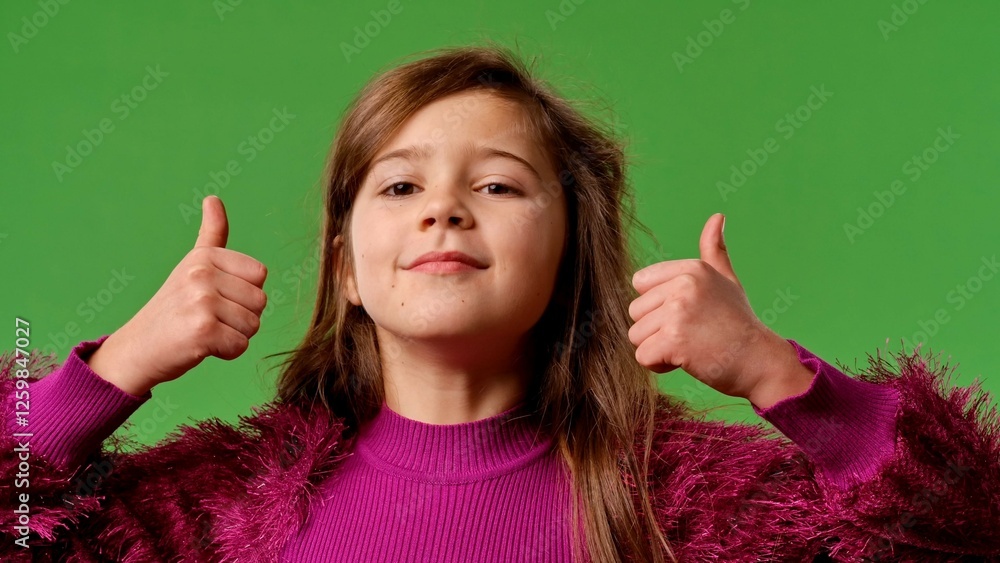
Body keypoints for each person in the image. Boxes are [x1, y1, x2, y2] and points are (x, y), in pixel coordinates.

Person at [2, 43, 998, 562]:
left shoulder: (684, 501)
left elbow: (966, 533)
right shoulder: (229, 506)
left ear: (570, 254)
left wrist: (778, 375)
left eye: (498, 184)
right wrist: (114, 369)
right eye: (400, 185)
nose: (443, 209)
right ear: (345, 267)